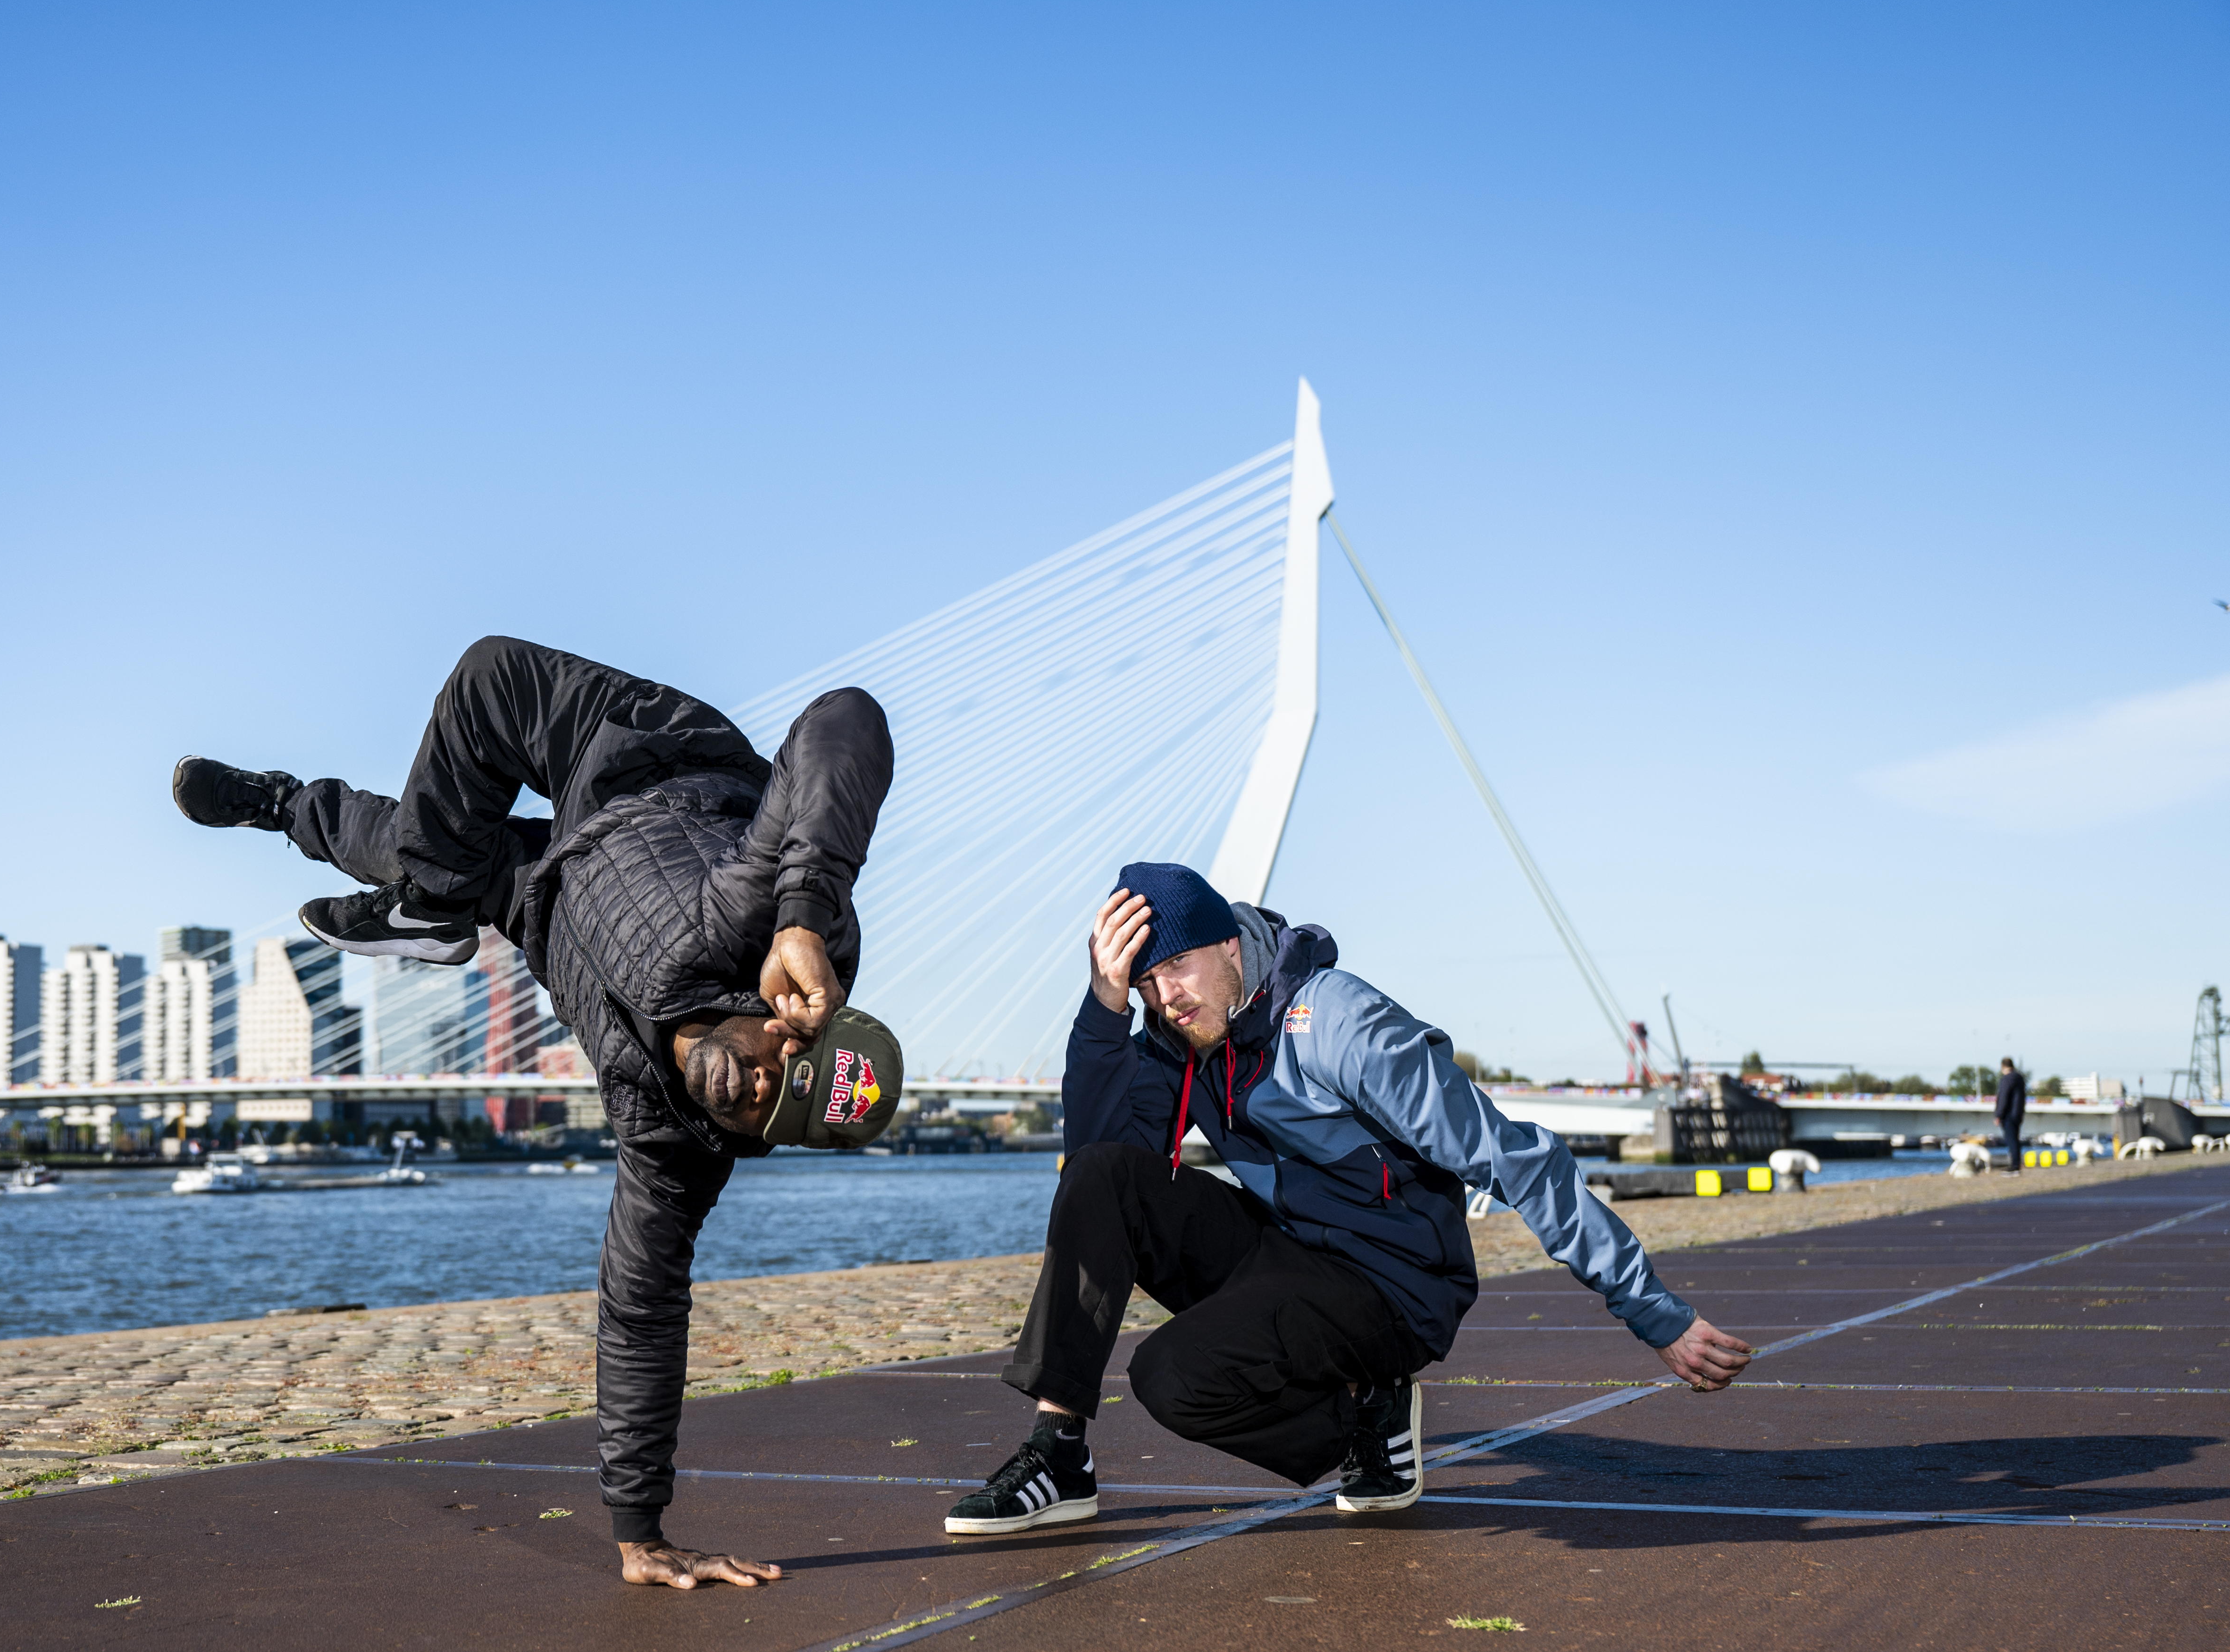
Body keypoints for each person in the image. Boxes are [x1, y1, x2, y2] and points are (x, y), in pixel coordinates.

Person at [171, 636, 896, 1588]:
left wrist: (641, 1534)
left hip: (545, 900)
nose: (763, 1087)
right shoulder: (757, 920)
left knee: (427, 846)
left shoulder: (669, 1142)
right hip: (650, 768)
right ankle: (418, 895)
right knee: (491, 677)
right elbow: (845, 718)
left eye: (780, 1113)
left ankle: (305, 820)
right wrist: (804, 908)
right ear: (785, 1018)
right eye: (787, 1065)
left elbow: (640, 1314)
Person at [940, 862, 1752, 1535]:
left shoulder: (1336, 1022)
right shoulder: (1178, 1038)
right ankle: (1059, 1451)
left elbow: (1515, 1158)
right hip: (1290, 1252)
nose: (1168, 996)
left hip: (1394, 1281)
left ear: (1229, 943)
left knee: (1170, 1377)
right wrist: (1102, 1006)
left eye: (1176, 968)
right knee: (1102, 1179)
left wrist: (1654, 1313)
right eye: (1146, 983)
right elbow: (1095, 1166)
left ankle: (1373, 1404)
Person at [1996, 1057, 2029, 1173]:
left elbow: (2003, 1098)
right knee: (2016, 1139)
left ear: (2003, 1067)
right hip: (2018, 1113)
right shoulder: (2020, 1078)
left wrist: (1999, 1115)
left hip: (2008, 1114)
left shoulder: (2007, 1079)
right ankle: (2017, 1163)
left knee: (2011, 1140)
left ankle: (2014, 1166)